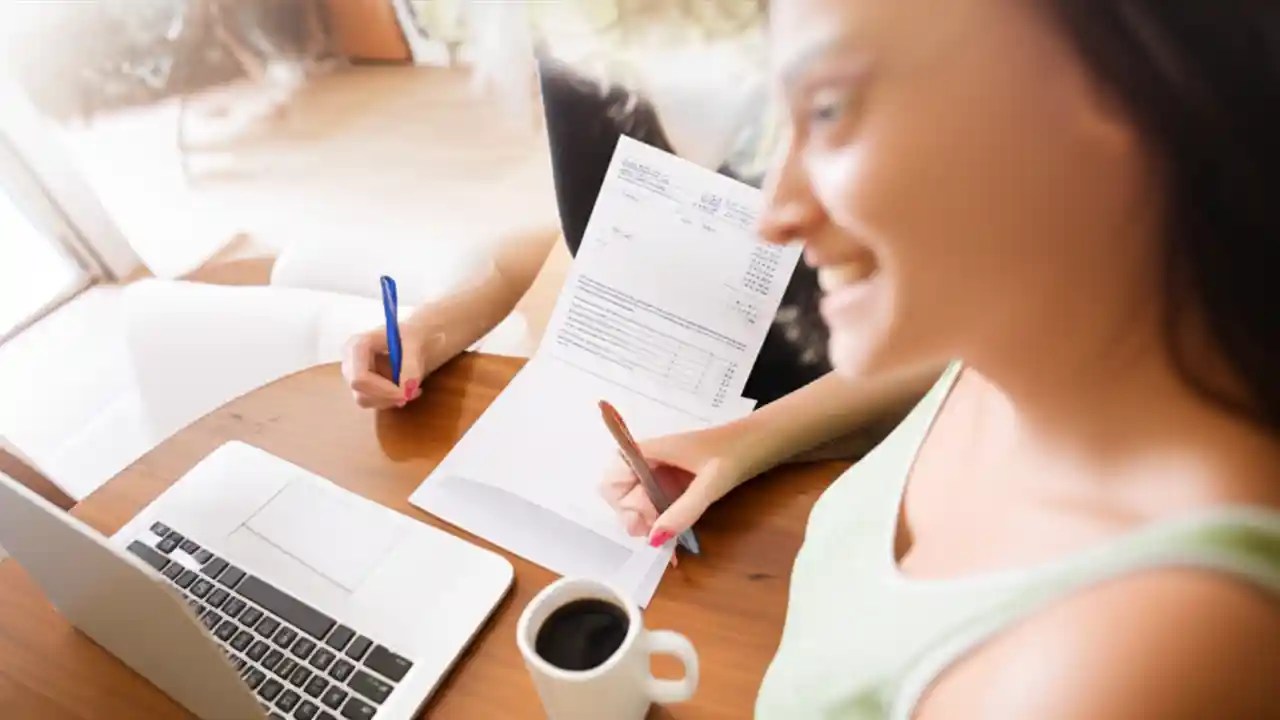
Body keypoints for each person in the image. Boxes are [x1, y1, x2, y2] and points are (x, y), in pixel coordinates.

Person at [599, 1, 1280, 717]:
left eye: (830, 111)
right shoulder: (1056, 317)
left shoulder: (1121, 668)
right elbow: (951, 369)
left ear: (1102, 95)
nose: (776, 212)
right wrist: (740, 444)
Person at [342, 6, 927, 456]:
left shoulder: (855, 36)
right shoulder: (580, 37)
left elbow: (954, 340)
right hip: (640, 435)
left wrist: (742, 446)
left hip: (836, 453)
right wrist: (436, 326)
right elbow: (600, 220)